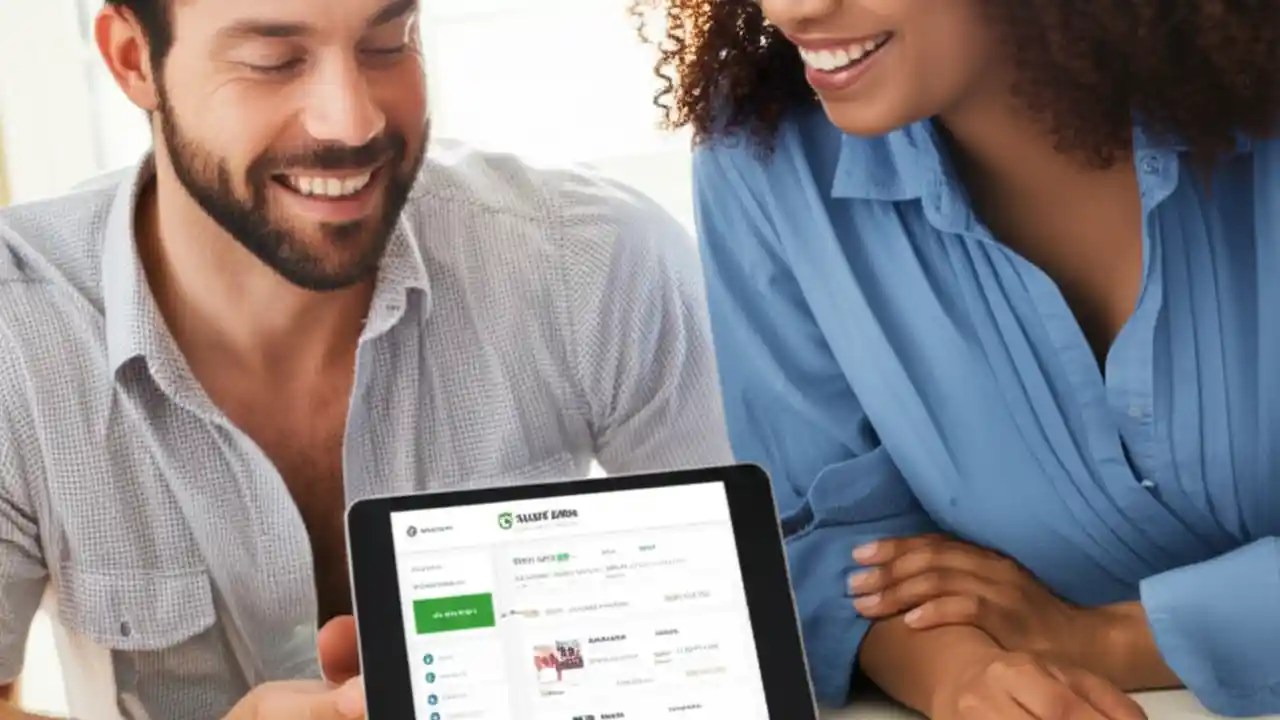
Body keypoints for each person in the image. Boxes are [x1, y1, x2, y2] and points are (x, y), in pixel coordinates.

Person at [0, 0, 731, 717]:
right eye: (272, 61)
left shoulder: (592, 261)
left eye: (389, 42)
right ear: (134, 60)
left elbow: (743, 631)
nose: (352, 121)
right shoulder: (18, 332)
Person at [636, 0, 1280, 718]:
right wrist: (967, 676)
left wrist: (1108, 639)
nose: (795, 8)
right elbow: (826, 532)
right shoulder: (764, 151)